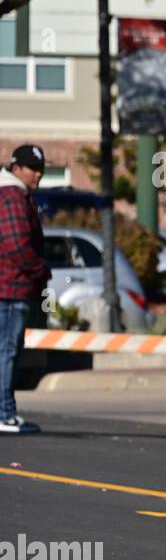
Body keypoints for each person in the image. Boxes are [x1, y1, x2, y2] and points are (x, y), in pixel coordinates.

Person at [0, 144, 50, 435]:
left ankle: (6, 411)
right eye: (33, 168)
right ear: (16, 167)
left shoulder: (13, 194)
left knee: (7, 350)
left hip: (11, 285)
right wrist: (39, 269)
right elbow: (17, 243)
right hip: (10, 286)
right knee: (7, 351)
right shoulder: (12, 196)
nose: (38, 174)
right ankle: (4, 413)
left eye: (41, 168)